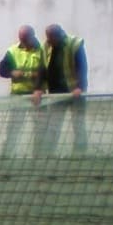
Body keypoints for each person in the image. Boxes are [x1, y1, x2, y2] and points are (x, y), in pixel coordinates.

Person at [39, 24, 88, 154]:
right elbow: (43, 68)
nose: (49, 41)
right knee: (53, 125)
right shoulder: (46, 46)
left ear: (59, 35)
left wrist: (80, 87)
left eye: (51, 38)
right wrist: (39, 88)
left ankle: (80, 153)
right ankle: (48, 153)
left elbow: (82, 68)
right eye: (48, 38)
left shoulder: (75, 44)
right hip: (56, 93)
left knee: (78, 124)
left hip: (74, 92)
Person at [0, 26, 45, 104]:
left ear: (33, 36)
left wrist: (38, 88)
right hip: (17, 95)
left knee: (39, 116)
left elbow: (47, 71)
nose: (24, 42)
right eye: (22, 39)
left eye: (26, 40)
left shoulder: (42, 50)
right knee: (16, 116)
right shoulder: (12, 50)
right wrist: (12, 73)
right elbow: (2, 70)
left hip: (37, 94)